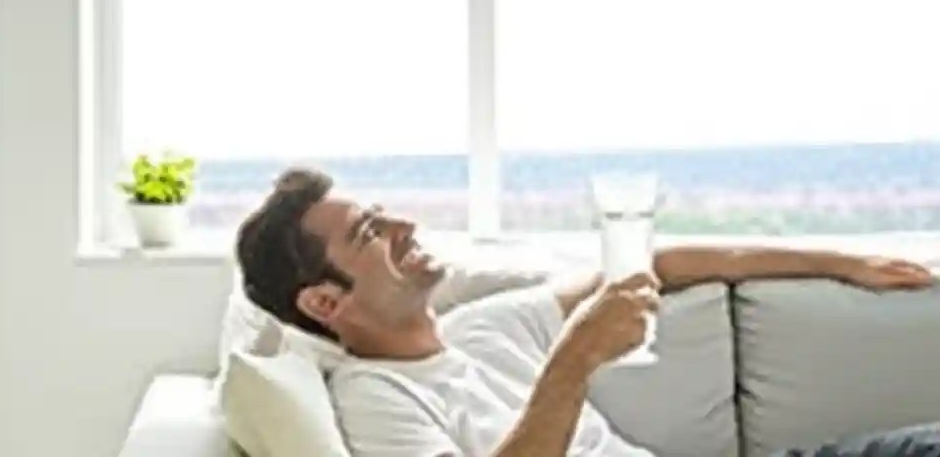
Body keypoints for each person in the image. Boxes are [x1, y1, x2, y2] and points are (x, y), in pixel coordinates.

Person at [235, 168, 937, 457]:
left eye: (384, 214)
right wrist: (575, 358)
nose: (404, 226)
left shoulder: (487, 327)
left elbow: (658, 267)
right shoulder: (374, 397)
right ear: (325, 302)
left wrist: (844, 263)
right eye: (369, 233)